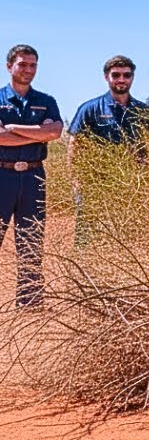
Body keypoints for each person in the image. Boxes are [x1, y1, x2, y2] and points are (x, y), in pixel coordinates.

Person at [0, 45, 62, 307]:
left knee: (31, 239)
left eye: (33, 65)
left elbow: (55, 132)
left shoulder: (46, 101)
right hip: (2, 175)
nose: (28, 70)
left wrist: (13, 128)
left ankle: (30, 303)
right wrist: (37, 130)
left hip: (34, 176)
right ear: (9, 66)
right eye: (23, 64)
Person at [68, 55, 149, 151]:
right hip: (98, 165)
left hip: (138, 166)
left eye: (127, 75)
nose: (121, 80)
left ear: (132, 78)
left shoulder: (144, 111)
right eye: (116, 75)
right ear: (106, 77)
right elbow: (74, 147)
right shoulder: (89, 109)